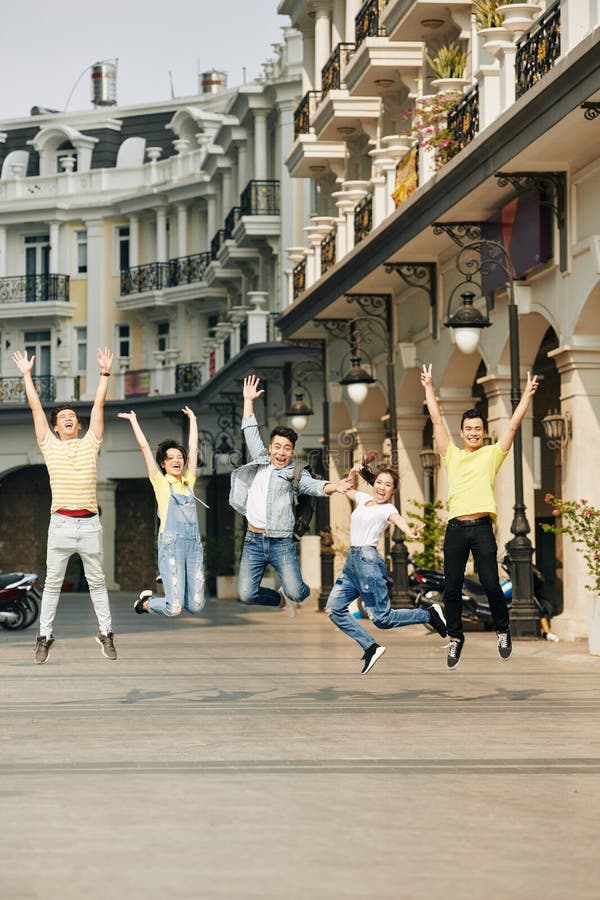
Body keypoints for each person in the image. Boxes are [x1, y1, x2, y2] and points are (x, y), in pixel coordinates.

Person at [420, 363, 539, 669]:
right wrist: (429, 388)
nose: (473, 433)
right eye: (468, 429)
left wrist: (525, 395)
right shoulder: (452, 456)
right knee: (451, 586)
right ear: (462, 433)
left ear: (484, 433)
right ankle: (456, 638)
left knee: (490, 582)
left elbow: (512, 426)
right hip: (456, 529)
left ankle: (502, 629)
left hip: (482, 527)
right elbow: (436, 420)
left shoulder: (492, 454)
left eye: (478, 429)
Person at [12, 347, 117, 664]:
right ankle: (43, 637)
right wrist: (27, 376)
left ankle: (106, 634)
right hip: (60, 524)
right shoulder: (49, 446)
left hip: (89, 524)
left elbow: (98, 405)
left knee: (98, 583)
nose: (68, 419)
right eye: (62, 419)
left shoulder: (90, 444)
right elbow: (36, 410)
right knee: (53, 585)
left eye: (72, 417)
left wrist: (104, 374)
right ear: (56, 428)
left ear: (79, 426)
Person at [230, 374, 353, 615]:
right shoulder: (261, 460)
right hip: (253, 540)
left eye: (287, 448)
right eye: (277, 446)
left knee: (298, 592)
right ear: (271, 447)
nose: (281, 452)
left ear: (292, 451)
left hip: (280, 542)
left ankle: (295, 592)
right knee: (246, 594)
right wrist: (248, 400)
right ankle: (278, 600)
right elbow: (250, 430)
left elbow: (314, 486)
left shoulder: (294, 473)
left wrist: (336, 486)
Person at [326, 456, 448, 674]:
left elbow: (399, 520)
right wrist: (354, 472)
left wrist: (410, 531)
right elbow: (346, 489)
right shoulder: (363, 498)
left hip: (368, 562)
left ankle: (428, 614)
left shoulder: (388, 509)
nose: (382, 488)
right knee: (334, 609)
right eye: (380, 483)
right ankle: (370, 646)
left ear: (393, 491)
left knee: (382, 619)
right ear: (374, 484)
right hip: (351, 564)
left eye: (388, 485)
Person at [117, 406, 206, 619]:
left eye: (179, 457)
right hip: (171, 545)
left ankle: (170, 586)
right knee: (174, 608)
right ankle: (147, 603)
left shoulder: (189, 482)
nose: (177, 460)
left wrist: (193, 420)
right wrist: (133, 421)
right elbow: (145, 448)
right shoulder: (160, 482)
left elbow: (193, 450)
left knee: (195, 606)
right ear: (163, 464)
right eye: (171, 458)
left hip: (193, 547)